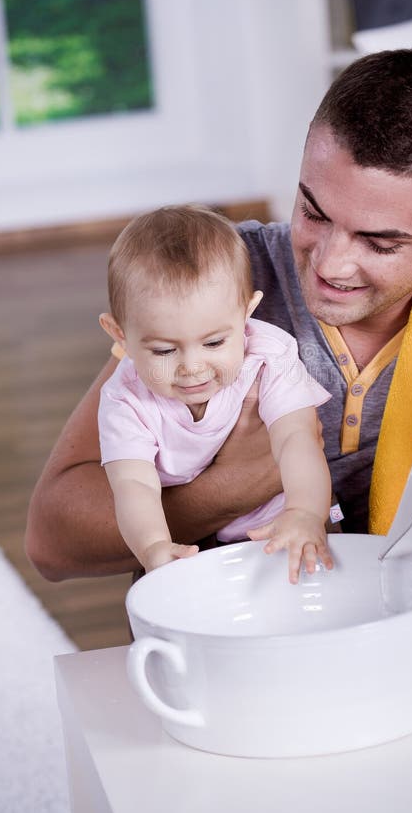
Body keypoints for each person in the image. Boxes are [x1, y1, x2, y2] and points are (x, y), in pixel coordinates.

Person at [26, 49, 412, 597]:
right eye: (313, 212)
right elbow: (51, 541)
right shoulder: (216, 278)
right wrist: (232, 485)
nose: (329, 264)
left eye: (379, 242)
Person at [97, 205, 333, 583]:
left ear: (246, 314)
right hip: (188, 540)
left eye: (214, 342)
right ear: (120, 335)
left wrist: (306, 512)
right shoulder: (125, 400)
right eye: (163, 350)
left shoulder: (266, 354)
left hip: (286, 515)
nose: (192, 367)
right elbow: (134, 483)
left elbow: (297, 438)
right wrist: (154, 547)